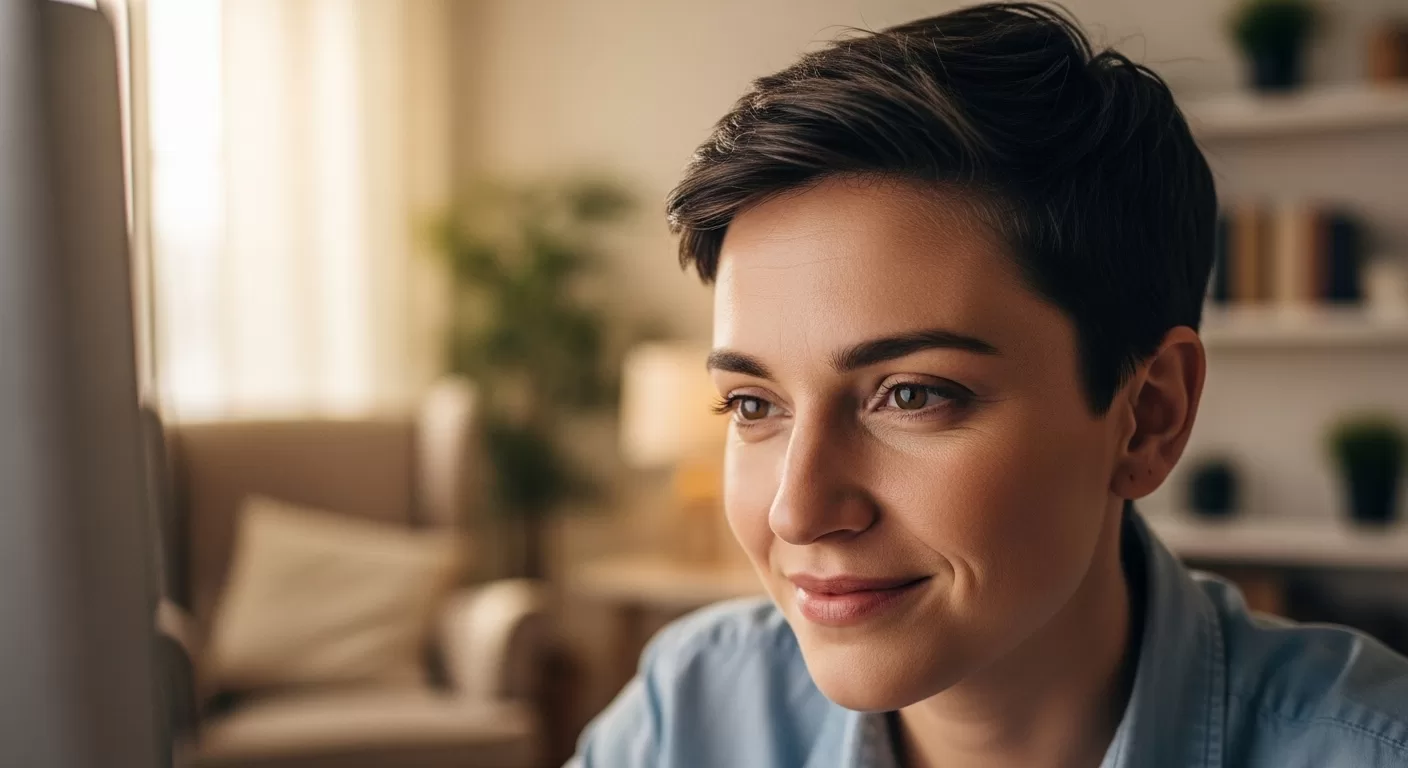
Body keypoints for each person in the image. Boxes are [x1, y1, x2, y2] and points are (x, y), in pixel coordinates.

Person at [568, 4, 1408, 766]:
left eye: (912, 394)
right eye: (754, 405)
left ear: (1149, 415)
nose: (797, 510)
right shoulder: (691, 714)